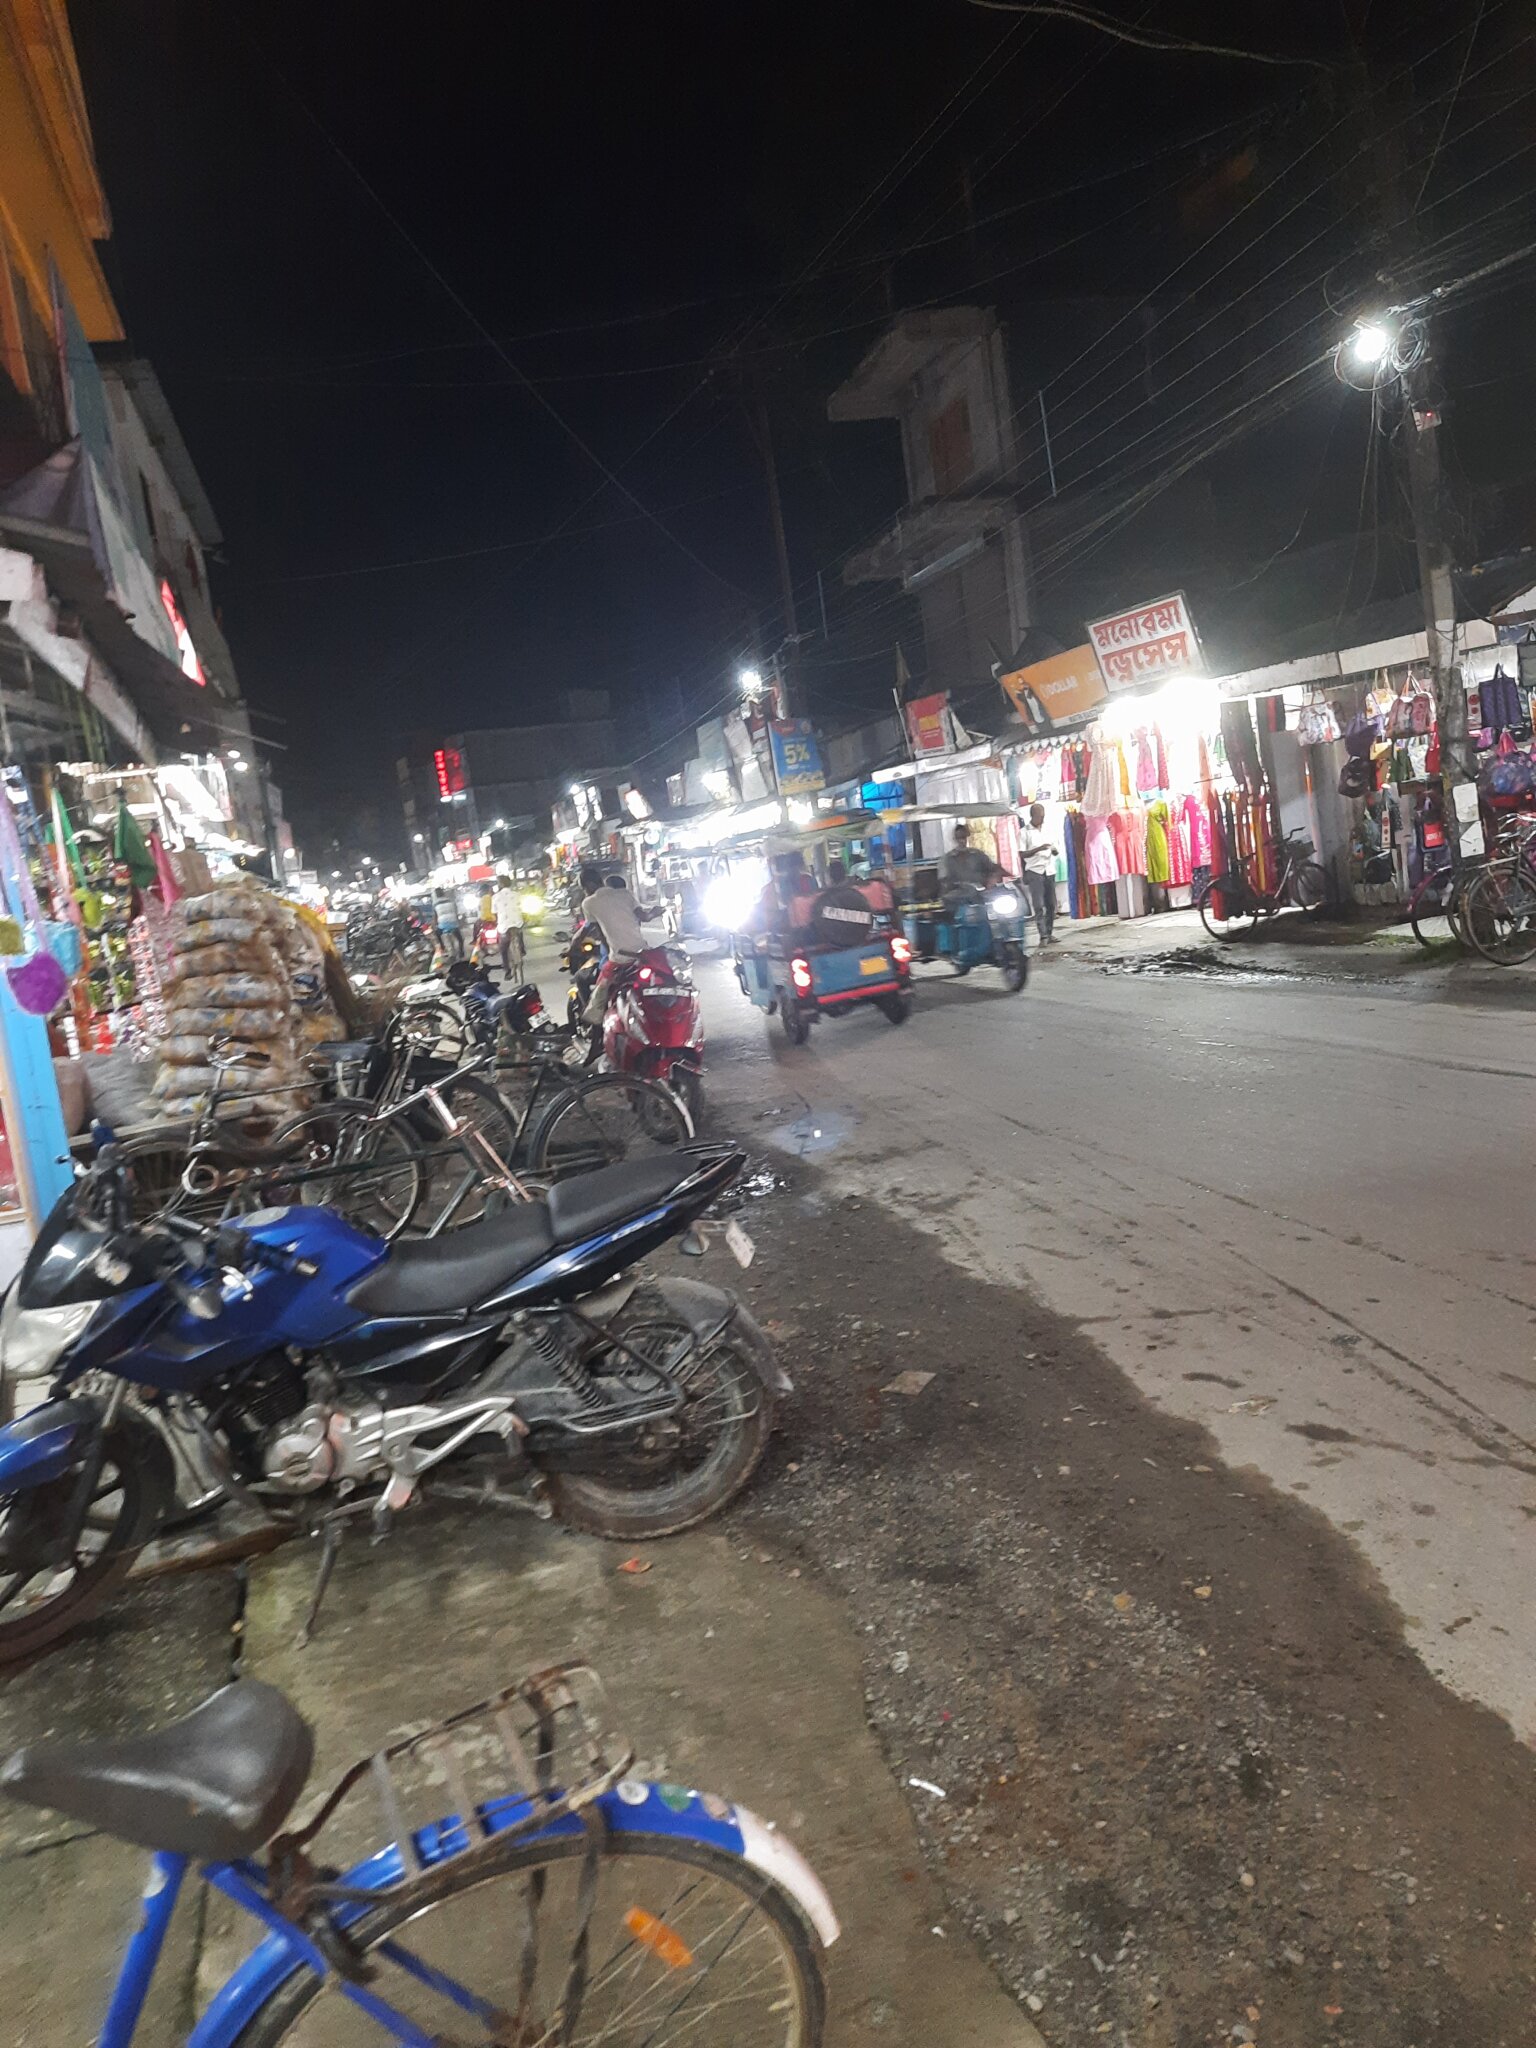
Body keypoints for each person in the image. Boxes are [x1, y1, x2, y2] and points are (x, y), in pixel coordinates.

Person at [579, 864, 658, 1022]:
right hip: (644, 954)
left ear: (588, 885)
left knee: (596, 1003)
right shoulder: (626, 895)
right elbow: (645, 917)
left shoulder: (589, 903)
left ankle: (596, 1035)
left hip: (620, 959)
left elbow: (598, 934)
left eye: (583, 888)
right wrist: (655, 912)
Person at [1019, 803, 1060, 944]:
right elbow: (1022, 854)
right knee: (1038, 905)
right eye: (1039, 816)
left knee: (1050, 904)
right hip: (1034, 871)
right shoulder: (1024, 832)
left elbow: (1055, 847)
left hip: (1049, 870)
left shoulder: (1048, 830)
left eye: (1043, 816)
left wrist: (1054, 851)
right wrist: (1039, 849)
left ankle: (1049, 933)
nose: (1041, 819)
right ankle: (1042, 935)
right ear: (1032, 816)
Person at [941, 824, 1002, 899]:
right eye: (958, 838)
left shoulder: (978, 854)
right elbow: (943, 880)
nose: (961, 841)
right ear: (954, 839)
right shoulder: (948, 859)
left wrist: (993, 879)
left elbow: (994, 869)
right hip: (958, 896)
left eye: (963, 837)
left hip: (982, 893)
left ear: (967, 837)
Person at [492, 873, 525, 979]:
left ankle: (507, 971)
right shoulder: (517, 894)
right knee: (519, 932)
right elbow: (522, 908)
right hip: (517, 923)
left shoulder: (496, 897)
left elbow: (494, 912)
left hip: (504, 926)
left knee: (503, 948)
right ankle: (522, 950)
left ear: (500, 884)